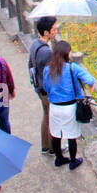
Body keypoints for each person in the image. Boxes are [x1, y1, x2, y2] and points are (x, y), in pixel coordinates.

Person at [42, 40, 96, 170]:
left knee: (56, 133)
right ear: (66, 53)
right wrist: (91, 85)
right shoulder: (72, 68)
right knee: (71, 135)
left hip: (54, 106)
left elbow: (46, 87)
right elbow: (89, 79)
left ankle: (59, 158)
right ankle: (73, 161)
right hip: (69, 107)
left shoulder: (48, 69)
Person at [28, 16, 58, 154]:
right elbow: (52, 73)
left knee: (46, 116)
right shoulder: (46, 52)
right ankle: (53, 148)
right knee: (51, 117)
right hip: (45, 90)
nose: (56, 30)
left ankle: (46, 146)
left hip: (38, 86)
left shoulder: (35, 44)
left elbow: (30, 64)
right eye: (54, 29)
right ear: (46, 32)